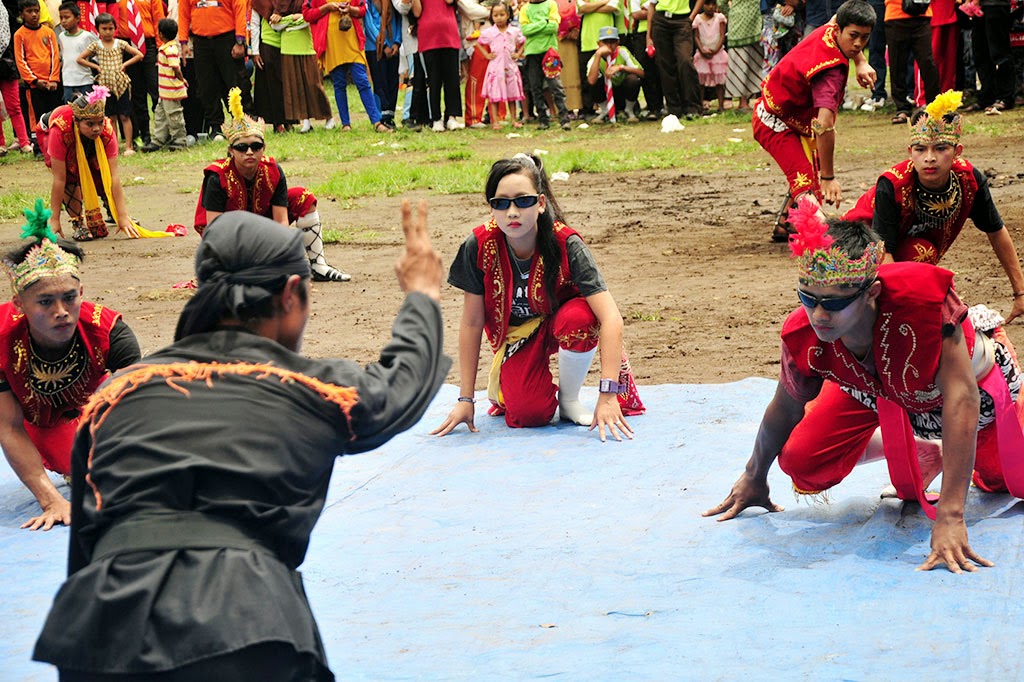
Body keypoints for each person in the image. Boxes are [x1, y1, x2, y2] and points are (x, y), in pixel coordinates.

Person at [32, 201, 449, 679]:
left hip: (99, 623)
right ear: (293, 292)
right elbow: (405, 382)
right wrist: (421, 294)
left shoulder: (113, 396)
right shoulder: (310, 389)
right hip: (245, 624)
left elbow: (88, 538)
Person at [704, 204, 1024, 574]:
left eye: (836, 302)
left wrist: (951, 514)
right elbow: (786, 406)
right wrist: (754, 476)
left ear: (871, 292)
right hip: (878, 390)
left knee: (1002, 481)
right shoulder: (805, 334)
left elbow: (961, 399)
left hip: (958, 387)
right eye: (808, 298)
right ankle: (924, 451)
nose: (819, 315)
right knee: (802, 462)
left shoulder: (925, 305)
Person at [433, 153, 643, 442]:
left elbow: (611, 318)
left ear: (541, 203)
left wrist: (607, 397)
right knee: (528, 415)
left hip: (565, 323)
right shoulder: (478, 245)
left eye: (523, 200)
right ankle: (524, 386)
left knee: (579, 318)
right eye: (501, 203)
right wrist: (465, 400)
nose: (512, 212)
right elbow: (471, 322)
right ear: (492, 208)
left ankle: (569, 401)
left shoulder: (567, 243)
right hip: (519, 336)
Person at [0, 200, 140, 531]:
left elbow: (139, 410)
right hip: (30, 421)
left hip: (88, 412)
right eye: (46, 302)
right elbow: (8, 426)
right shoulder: (2, 335)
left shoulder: (109, 331)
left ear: (82, 291)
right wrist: (52, 500)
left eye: (69, 297)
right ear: (19, 303)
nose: (62, 311)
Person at [842, 91, 1024, 323]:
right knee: (921, 253)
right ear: (910, 153)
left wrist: (1020, 293)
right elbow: (882, 250)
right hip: (858, 246)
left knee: (921, 255)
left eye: (940, 148)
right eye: (920, 149)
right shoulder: (893, 184)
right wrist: (897, 307)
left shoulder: (969, 180)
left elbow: (996, 230)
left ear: (957, 152)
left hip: (903, 253)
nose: (929, 158)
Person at [195, 88, 353, 282]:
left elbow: (281, 223)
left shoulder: (273, 171)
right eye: (242, 148)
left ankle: (318, 266)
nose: (249, 152)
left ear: (264, 148)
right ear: (231, 150)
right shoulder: (217, 176)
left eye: (256, 146)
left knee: (304, 197)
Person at [752, 0, 876, 242]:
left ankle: (786, 224)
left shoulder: (834, 27)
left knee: (808, 166)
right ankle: (828, 246)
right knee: (808, 186)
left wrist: (861, 61)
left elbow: (845, 30)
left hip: (791, 115)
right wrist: (829, 177)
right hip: (774, 122)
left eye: (865, 37)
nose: (859, 43)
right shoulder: (830, 73)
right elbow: (823, 125)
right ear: (839, 29)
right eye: (854, 36)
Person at [40, 85, 152, 241]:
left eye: (99, 122)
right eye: (90, 124)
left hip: (85, 141)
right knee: (71, 173)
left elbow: (113, 176)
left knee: (100, 169)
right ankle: (77, 222)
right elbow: (60, 179)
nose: (96, 129)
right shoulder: (60, 129)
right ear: (77, 121)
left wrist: (123, 215)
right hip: (49, 134)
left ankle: (112, 210)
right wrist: (55, 220)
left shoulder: (106, 130)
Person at [304, 0, 392, 133]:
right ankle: (346, 124)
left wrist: (350, 10)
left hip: (352, 40)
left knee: (362, 81)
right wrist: (327, 7)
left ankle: (377, 122)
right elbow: (307, 15)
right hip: (331, 42)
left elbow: (362, 10)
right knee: (339, 83)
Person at [177, 0, 248, 140]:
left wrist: (240, 40)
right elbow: (183, 13)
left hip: (226, 38)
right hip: (201, 41)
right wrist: (183, 42)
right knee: (206, 86)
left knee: (234, 82)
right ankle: (216, 126)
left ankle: (242, 122)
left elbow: (240, 9)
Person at [76, 12, 143, 155]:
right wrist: (96, 67)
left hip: (120, 83)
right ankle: (114, 146)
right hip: (104, 85)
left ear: (115, 29)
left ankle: (129, 146)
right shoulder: (96, 45)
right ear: (98, 29)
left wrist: (125, 64)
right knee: (110, 117)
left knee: (125, 115)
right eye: (104, 29)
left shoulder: (120, 43)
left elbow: (139, 54)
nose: (107, 32)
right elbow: (80, 59)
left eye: (110, 28)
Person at [13, 0, 62, 152]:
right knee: (37, 117)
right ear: (22, 14)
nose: (34, 14)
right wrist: (34, 80)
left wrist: (54, 79)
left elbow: (55, 56)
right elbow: (20, 60)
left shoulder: (48, 32)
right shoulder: (19, 34)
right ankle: (39, 148)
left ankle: (57, 147)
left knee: (54, 115)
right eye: (29, 11)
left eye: (36, 10)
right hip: (34, 85)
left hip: (52, 84)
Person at [882, 0, 938, 125]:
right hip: (895, 15)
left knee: (927, 62)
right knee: (897, 63)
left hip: (922, 14)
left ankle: (934, 106)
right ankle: (902, 108)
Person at [520, 0, 572, 129]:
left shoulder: (551, 5)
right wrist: (544, 22)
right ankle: (543, 120)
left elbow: (554, 27)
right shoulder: (525, 9)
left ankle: (564, 118)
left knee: (555, 85)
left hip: (549, 52)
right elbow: (525, 30)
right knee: (535, 87)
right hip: (532, 52)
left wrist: (535, 26)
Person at [141, 17, 187, 152]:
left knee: (174, 115)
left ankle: (179, 140)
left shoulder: (170, 49)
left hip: (171, 90)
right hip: (164, 91)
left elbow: (175, 67)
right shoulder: (164, 48)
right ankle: (158, 140)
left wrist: (181, 79)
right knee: (160, 115)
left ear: (160, 34)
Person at [480, 1, 525, 129]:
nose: (499, 18)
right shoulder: (489, 32)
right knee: (494, 96)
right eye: (495, 15)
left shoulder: (514, 31)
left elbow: (523, 41)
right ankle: (494, 121)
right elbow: (477, 41)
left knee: (511, 94)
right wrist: (486, 55)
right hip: (495, 68)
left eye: (502, 14)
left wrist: (518, 53)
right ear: (491, 17)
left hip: (510, 67)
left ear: (508, 15)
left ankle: (514, 119)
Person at [585, 25, 643, 121]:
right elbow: (591, 81)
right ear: (598, 43)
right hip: (606, 93)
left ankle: (629, 110)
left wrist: (621, 67)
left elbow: (641, 73)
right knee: (594, 80)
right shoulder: (594, 58)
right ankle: (605, 110)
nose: (609, 45)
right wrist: (598, 55)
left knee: (633, 79)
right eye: (605, 42)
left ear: (618, 42)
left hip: (622, 91)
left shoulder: (623, 51)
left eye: (612, 42)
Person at [56, 2, 97, 104]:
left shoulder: (87, 36)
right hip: (68, 81)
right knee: (69, 111)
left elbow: (96, 55)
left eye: (67, 17)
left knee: (87, 111)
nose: (63, 21)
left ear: (77, 18)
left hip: (85, 80)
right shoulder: (61, 36)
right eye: (61, 18)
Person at [691, 0, 726, 113]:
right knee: (701, 81)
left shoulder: (720, 18)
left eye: (713, 4)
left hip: (717, 52)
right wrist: (701, 49)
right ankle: (700, 105)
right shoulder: (697, 19)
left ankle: (721, 105)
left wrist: (716, 49)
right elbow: (696, 36)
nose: (711, 7)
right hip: (703, 52)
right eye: (707, 4)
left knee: (719, 81)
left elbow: (722, 35)